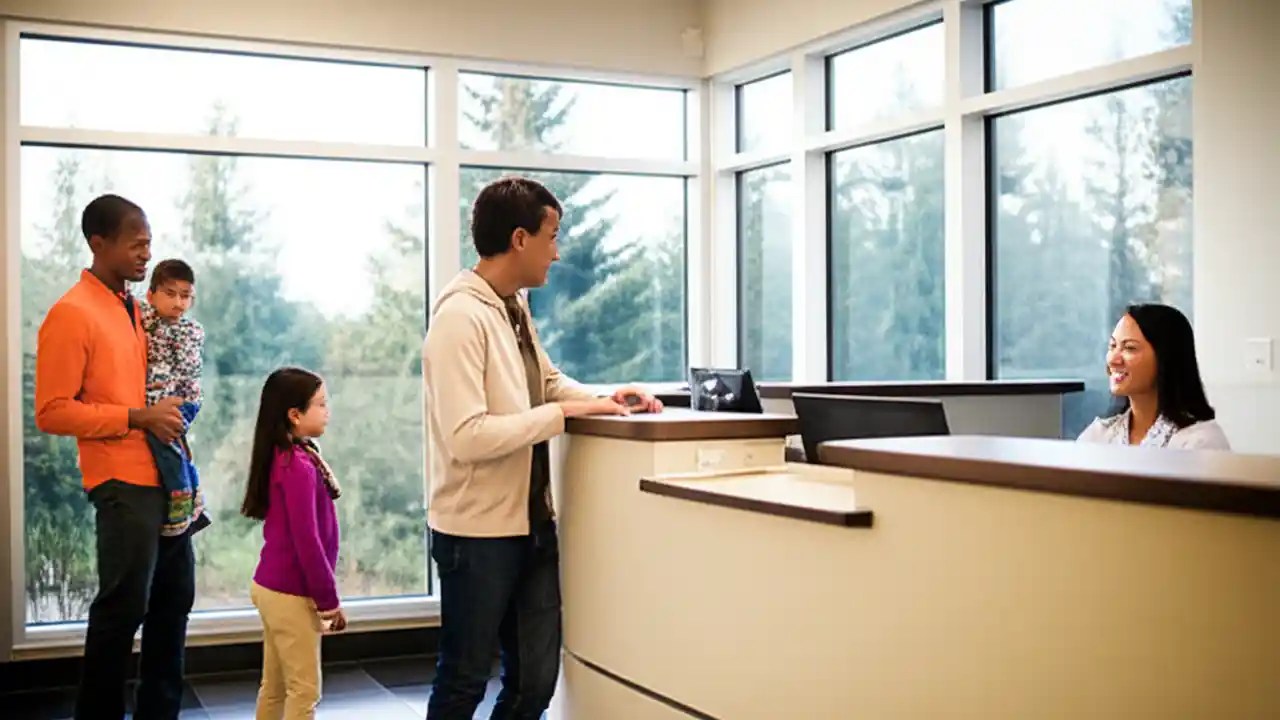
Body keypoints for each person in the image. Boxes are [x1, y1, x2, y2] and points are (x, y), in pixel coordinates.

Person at [423, 176, 662, 719]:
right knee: (463, 681)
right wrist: (561, 416)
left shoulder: (513, 305)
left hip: (531, 524)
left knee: (535, 682)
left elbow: (547, 382)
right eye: (551, 236)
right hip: (476, 534)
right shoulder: (459, 319)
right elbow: (467, 436)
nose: (557, 251)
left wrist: (605, 398)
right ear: (519, 239)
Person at [35, 193, 193, 719]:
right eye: (136, 242)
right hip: (122, 483)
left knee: (173, 606)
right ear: (98, 243)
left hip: (169, 479)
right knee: (122, 612)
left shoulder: (134, 307)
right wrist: (135, 417)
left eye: (150, 242)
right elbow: (52, 412)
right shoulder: (71, 313)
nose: (147, 252)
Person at [241, 367, 347, 720]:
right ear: (294, 414)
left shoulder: (288, 457)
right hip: (290, 592)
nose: (327, 411)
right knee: (304, 690)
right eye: (320, 404)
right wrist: (328, 601)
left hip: (272, 587)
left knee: (274, 686)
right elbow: (308, 541)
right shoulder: (298, 466)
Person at [1078, 303, 1230, 450]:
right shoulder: (1098, 436)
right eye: (1112, 346)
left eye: (1130, 348)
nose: (1113, 360)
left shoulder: (1200, 442)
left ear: (1166, 358)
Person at [141, 258, 208, 537]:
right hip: (161, 397)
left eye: (185, 296)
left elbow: (186, 371)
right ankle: (196, 493)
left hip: (183, 398)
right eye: (170, 294)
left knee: (164, 438)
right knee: (177, 445)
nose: (178, 303)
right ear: (151, 295)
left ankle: (180, 494)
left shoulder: (188, 331)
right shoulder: (148, 320)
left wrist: (157, 399)